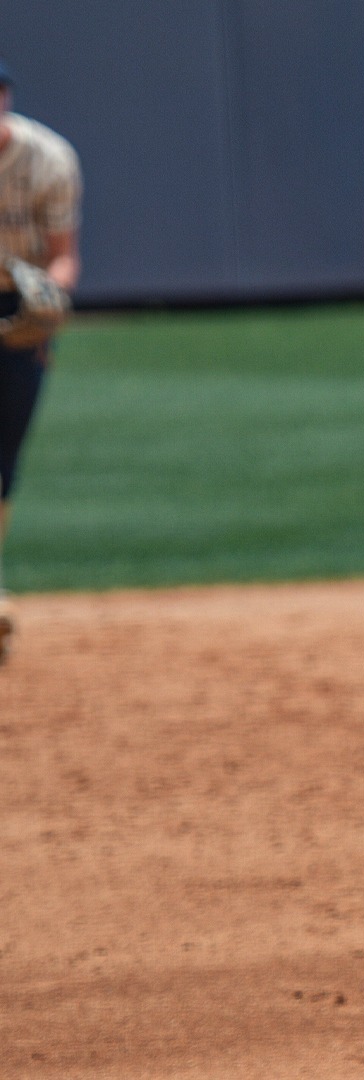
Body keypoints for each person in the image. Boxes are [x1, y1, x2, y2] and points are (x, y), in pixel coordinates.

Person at [0, 60, 82, 666]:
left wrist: (50, 305)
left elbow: (63, 259)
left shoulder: (48, 159)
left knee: (4, 456)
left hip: (20, 308)